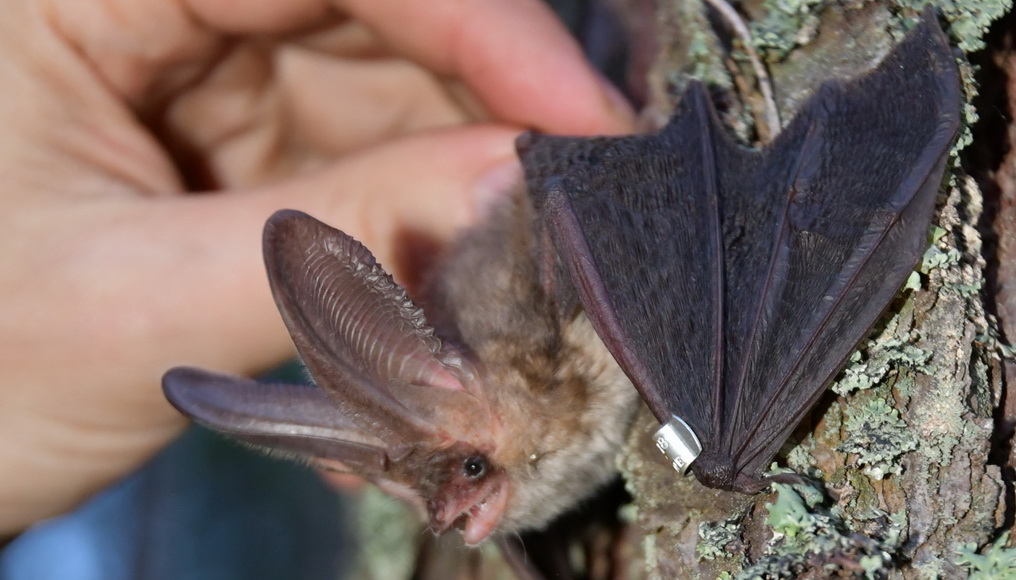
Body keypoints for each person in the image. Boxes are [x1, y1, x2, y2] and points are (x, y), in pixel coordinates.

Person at [0, 0, 632, 533]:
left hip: (575, 247)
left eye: (472, 469)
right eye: (432, 504)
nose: (447, 521)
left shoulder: (556, 354)